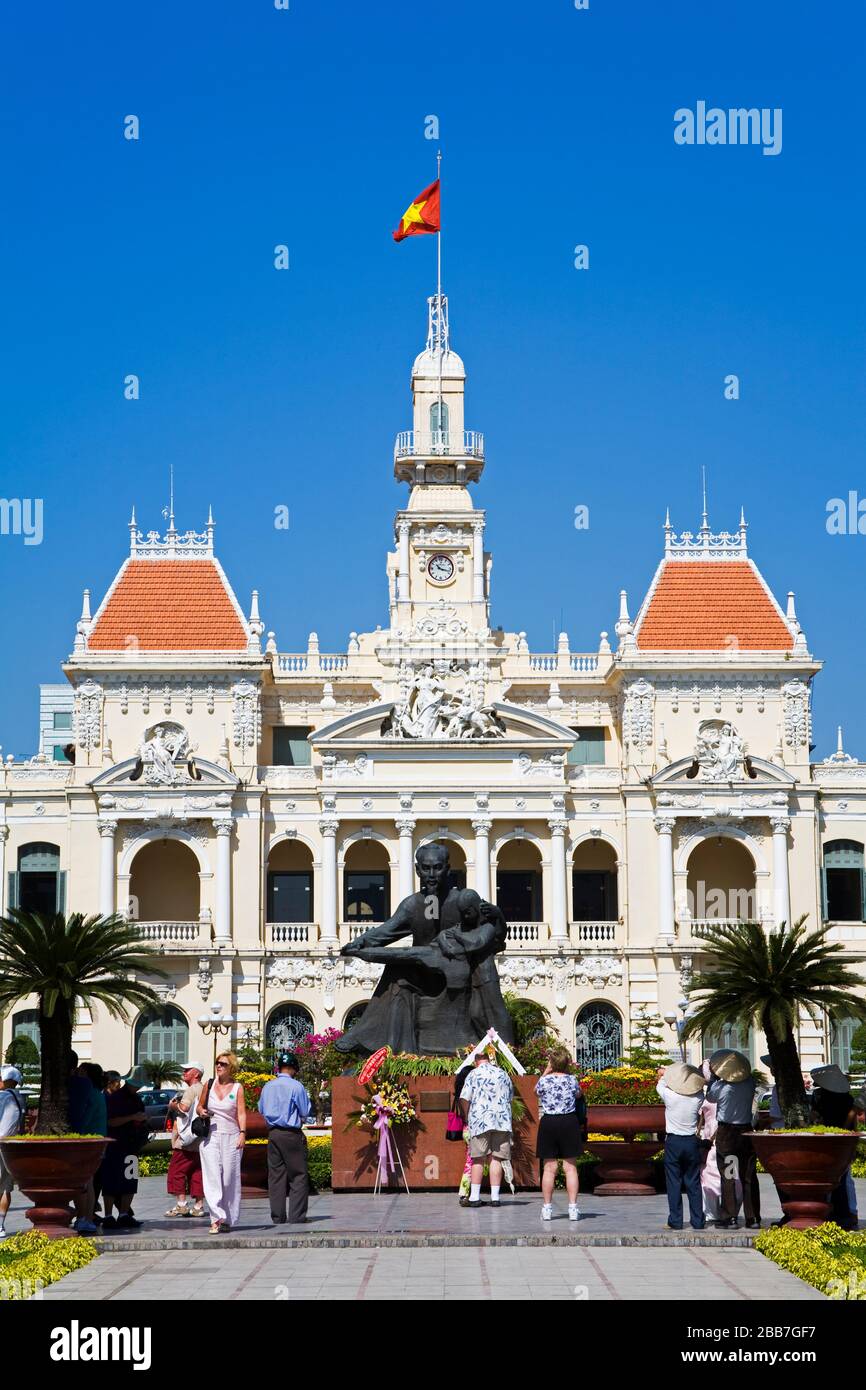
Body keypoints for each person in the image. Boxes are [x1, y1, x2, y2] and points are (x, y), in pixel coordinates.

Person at [705, 1050, 760, 1229]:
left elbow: (710, 1097)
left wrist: (713, 1076)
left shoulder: (720, 1087)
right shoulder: (750, 1083)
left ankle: (730, 1217)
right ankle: (753, 1218)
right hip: (745, 1131)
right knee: (749, 1176)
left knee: (728, 1175)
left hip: (727, 1133)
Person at [258, 1052, 312, 1225]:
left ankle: (278, 1216)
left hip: (273, 1134)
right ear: (294, 1068)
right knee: (298, 1175)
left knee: (276, 1176)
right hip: (290, 1134)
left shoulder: (268, 1086)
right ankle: (296, 1216)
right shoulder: (296, 1086)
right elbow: (304, 1112)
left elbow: (261, 1109)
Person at [459, 1046, 514, 1209]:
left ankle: (475, 1197)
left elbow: (464, 1097)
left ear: (476, 1061)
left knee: (478, 1158)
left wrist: (466, 1115)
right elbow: (510, 1097)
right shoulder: (503, 1074)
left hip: (480, 1120)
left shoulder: (473, 1074)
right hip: (502, 1121)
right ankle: (495, 1197)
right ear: (489, 1059)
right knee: (496, 1158)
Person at [197, 1052, 246, 1234]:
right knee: (212, 1177)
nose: (219, 1066)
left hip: (231, 1136)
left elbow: (241, 1113)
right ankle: (216, 1217)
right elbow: (199, 1106)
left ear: (231, 1067)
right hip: (211, 1136)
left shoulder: (237, 1088)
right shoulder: (208, 1085)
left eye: (223, 1064)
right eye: (217, 1063)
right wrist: (201, 1111)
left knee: (228, 1179)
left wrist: (242, 1133)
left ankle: (228, 1217)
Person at [810, 1063, 862, 1231]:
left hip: (828, 1140)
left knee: (835, 1179)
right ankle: (847, 1213)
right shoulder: (846, 1098)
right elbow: (852, 1120)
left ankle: (834, 1212)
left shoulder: (820, 1097)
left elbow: (815, 1118)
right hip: (842, 1140)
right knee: (844, 1179)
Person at [535, 1047, 584, 1222]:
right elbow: (579, 1095)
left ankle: (547, 1209)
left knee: (549, 1168)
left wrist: (547, 1071)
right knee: (570, 1168)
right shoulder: (572, 1080)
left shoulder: (545, 1081)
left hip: (549, 1123)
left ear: (552, 1063)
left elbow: (536, 1091)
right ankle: (572, 1208)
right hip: (568, 1122)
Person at [656, 1062, 706, 1231]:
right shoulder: (697, 1098)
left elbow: (661, 1083)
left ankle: (676, 1220)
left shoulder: (670, 1096)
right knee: (693, 1182)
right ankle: (698, 1221)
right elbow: (699, 1088)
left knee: (673, 1182)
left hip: (674, 1141)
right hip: (691, 1141)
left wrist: (667, 1071)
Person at [100, 1072, 148, 1230]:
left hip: (132, 1146)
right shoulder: (115, 1099)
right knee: (111, 1181)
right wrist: (133, 1117)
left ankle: (124, 1214)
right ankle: (108, 1216)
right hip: (115, 1146)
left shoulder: (137, 1099)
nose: (139, 1087)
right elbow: (111, 1122)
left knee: (130, 1180)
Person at [165, 1062, 206, 1218]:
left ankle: (181, 1205)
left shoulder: (191, 1090)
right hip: (200, 1138)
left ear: (196, 1073)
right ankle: (198, 1206)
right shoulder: (204, 1089)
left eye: (187, 1070)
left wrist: (173, 1106)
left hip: (186, 1140)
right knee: (197, 1172)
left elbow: (184, 1109)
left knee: (176, 1171)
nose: (184, 1072)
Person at [73, 1062, 107, 1234]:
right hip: (97, 1141)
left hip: (88, 1142)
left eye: (80, 1071)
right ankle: (87, 1217)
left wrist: (75, 1134)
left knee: (84, 1182)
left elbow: (85, 1120)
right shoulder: (97, 1094)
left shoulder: (90, 1094)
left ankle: (84, 1217)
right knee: (89, 1181)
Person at [698, 1094, 741, 1222]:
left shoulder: (707, 1095)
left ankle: (714, 1213)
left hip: (713, 1139)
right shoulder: (732, 1094)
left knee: (708, 1178)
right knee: (730, 1176)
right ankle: (731, 1212)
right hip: (724, 1139)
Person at [0, 1065, 26, 1239]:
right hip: (10, 1147)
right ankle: (1, 1225)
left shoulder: (3, 1097)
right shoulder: (19, 1098)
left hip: (0, 1142)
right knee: (6, 1188)